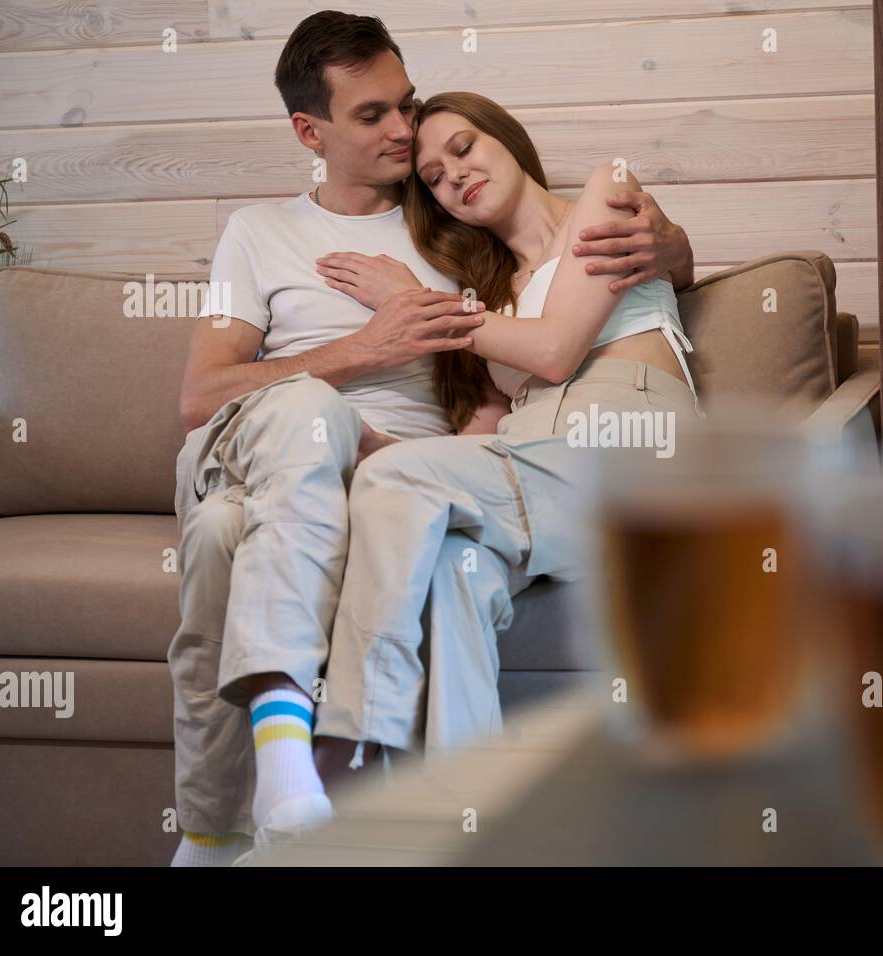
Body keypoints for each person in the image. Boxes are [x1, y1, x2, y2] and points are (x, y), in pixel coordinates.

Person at [167, 11, 696, 866]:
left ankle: (364, 781)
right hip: (355, 457)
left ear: (505, 138)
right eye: (375, 117)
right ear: (312, 132)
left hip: (533, 452)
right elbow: (202, 396)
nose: (415, 141)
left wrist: (672, 247)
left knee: (407, 511)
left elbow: (555, 348)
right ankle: (260, 828)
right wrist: (364, 359)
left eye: (412, 110)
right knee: (317, 479)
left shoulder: (472, 245)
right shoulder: (278, 235)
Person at [306, 90, 702, 782]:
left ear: (507, 138)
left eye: (464, 149)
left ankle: (353, 755)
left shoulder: (605, 193)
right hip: (538, 475)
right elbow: (475, 453)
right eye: (432, 177)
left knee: (397, 488)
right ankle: (467, 819)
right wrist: (367, 444)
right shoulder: (487, 303)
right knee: (453, 566)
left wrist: (413, 304)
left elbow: (553, 351)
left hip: (631, 453)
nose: (453, 175)